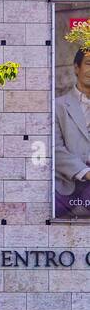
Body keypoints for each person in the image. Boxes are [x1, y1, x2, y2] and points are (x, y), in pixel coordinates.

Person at [55, 47, 90, 218]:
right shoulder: (57, 106)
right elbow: (54, 148)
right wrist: (84, 171)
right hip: (66, 184)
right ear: (77, 67)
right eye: (88, 63)